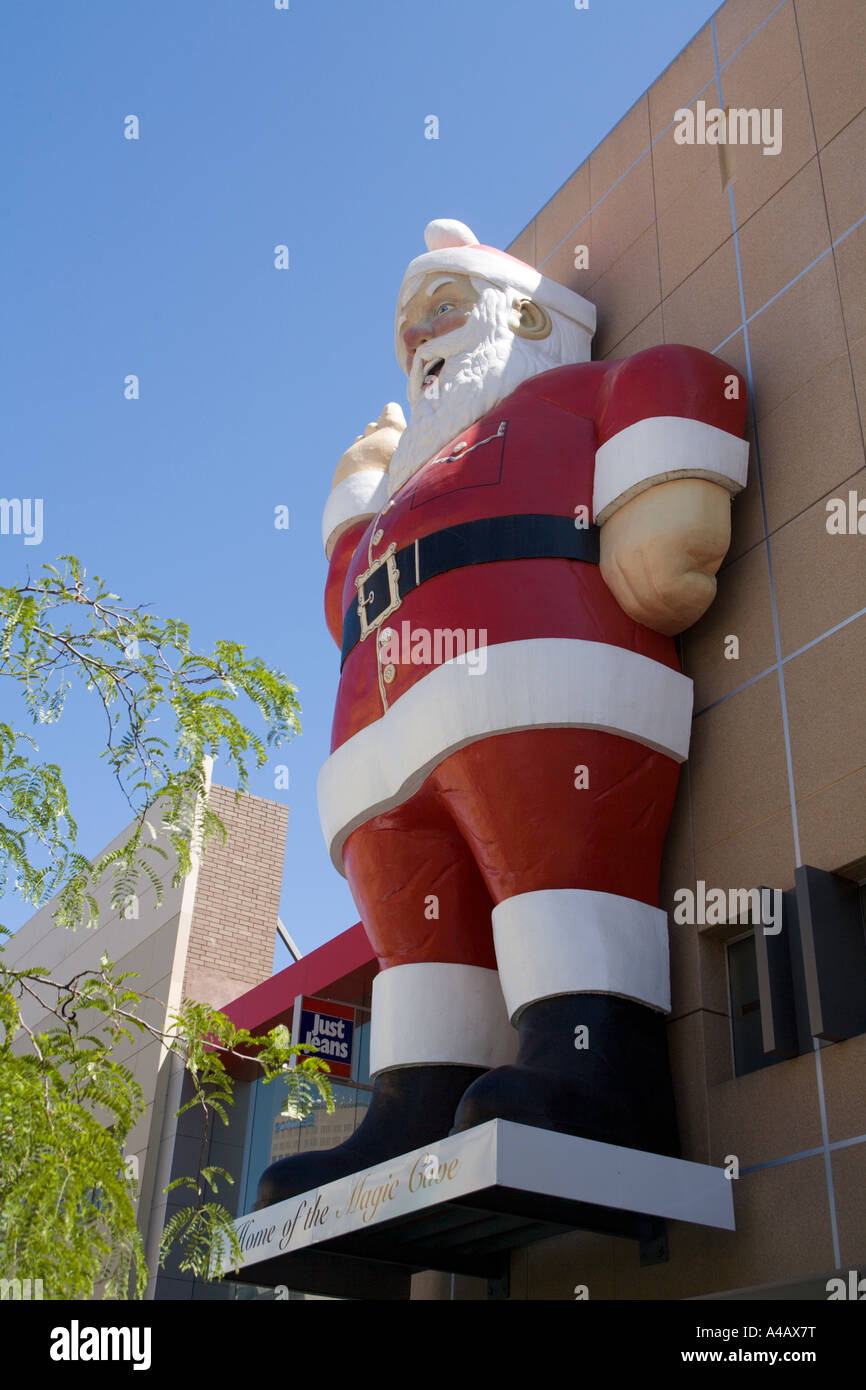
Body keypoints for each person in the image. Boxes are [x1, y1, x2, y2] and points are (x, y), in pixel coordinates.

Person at [256, 219, 748, 1208]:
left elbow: (685, 376)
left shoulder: (568, 396)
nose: (418, 343)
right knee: (415, 938)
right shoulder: (412, 482)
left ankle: (590, 1066)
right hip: (381, 737)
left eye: (441, 310)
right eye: (407, 330)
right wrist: (356, 498)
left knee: (552, 872)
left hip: (530, 676)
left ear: (526, 317)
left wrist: (664, 492)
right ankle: (416, 1098)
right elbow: (340, 598)